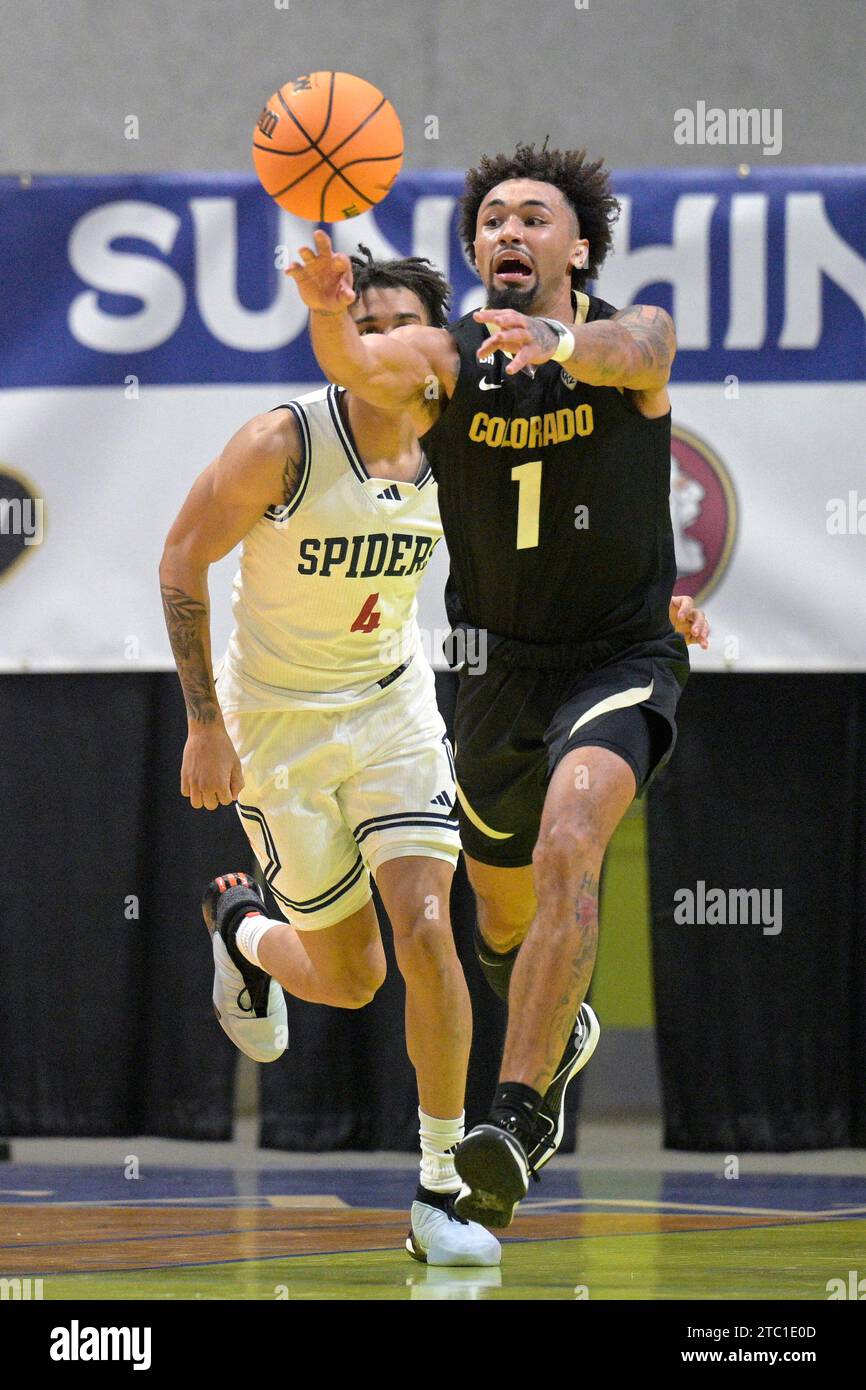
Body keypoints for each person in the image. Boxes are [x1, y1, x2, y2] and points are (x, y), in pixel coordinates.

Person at [286, 139, 710, 1227]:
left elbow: (633, 347)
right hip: (493, 674)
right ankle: (555, 1022)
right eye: (491, 220)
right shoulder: (446, 359)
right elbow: (361, 373)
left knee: (575, 836)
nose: (508, 231)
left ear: (577, 243)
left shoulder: (631, 335)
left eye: (533, 216)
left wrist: (560, 342)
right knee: (501, 924)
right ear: (473, 248)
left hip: (617, 661)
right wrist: (333, 314)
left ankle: (515, 1116)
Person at [159, 248, 499, 1267]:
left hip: (392, 709)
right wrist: (204, 722)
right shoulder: (283, 443)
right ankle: (239, 928)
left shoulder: (457, 448)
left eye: (403, 327)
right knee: (349, 979)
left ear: (435, 355)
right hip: (278, 722)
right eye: (368, 323)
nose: (381, 343)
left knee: (429, 928)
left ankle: (440, 1185)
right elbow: (181, 557)